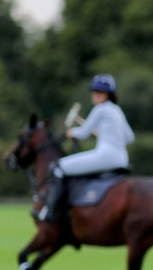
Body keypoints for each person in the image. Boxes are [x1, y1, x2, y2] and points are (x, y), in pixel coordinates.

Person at [38, 74, 135, 223]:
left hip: (105, 156)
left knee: (58, 167)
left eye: (100, 92)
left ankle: (50, 213)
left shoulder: (100, 109)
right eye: (94, 91)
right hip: (122, 158)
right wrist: (106, 133)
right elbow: (129, 137)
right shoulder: (117, 110)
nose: (95, 95)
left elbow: (83, 133)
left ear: (108, 95)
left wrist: (71, 132)